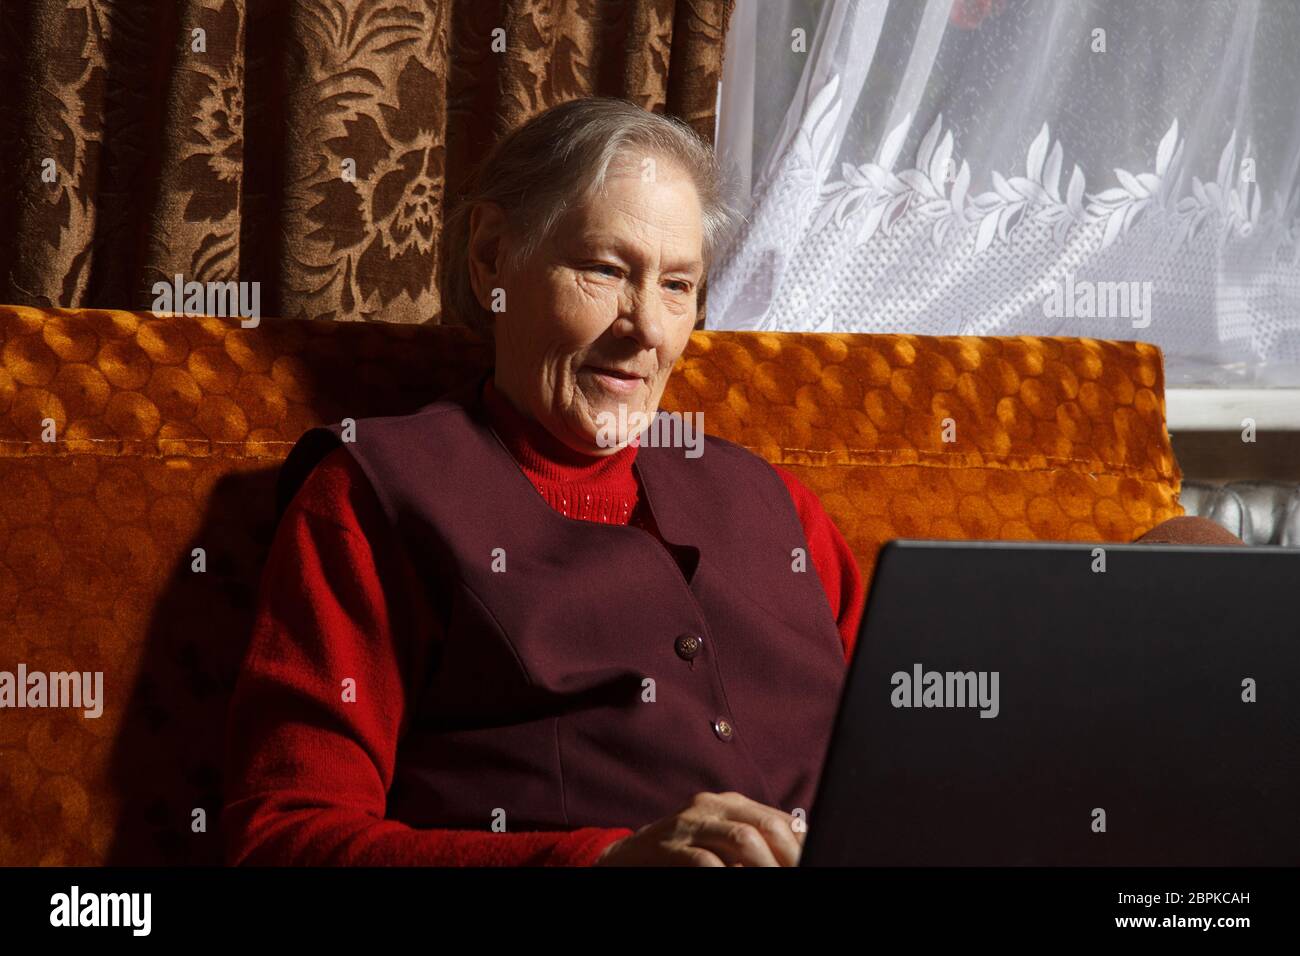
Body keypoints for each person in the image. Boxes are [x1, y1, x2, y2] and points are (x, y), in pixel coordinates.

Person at [221, 96, 1240, 869]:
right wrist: (604, 860)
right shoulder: (373, 495)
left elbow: (926, 748)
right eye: (605, 270)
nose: (646, 328)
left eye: (676, 285)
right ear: (493, 254)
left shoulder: (771, 501)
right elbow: (281, 836)